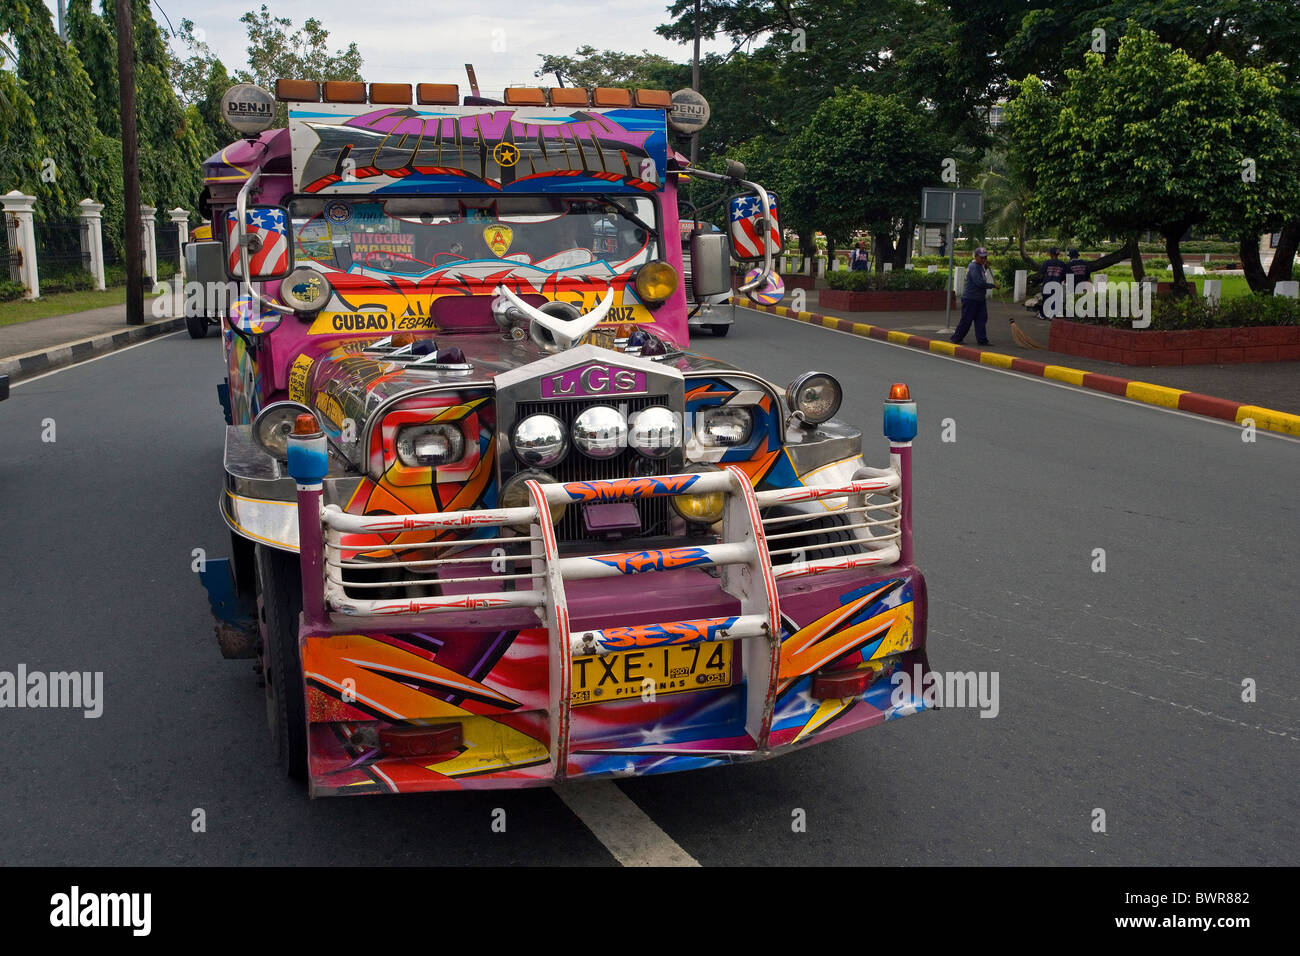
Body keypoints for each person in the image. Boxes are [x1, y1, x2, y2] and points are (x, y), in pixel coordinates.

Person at [950, 246, 997, 346]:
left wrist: (985, 266)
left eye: (985, 257)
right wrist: (992, 286)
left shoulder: (979, 265)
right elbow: (979, 283)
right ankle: (956, 338)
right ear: (976, 256)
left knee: (981, 320)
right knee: (966, 320)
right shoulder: (973, 266)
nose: (984, 259)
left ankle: (982, 340)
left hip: (979, 299)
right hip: (970, 299)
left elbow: (982, 276)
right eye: (981, 257)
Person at [1037, 246, 1068, 319]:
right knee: (1055, 300)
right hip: (1057, 284)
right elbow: (1064, 276)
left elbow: (1041, 273)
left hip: (1047, 284)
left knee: (1045, 300)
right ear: (1058, 254)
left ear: (1051, 254)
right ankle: (1052, 314)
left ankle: (1044, 315)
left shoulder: (1046, 263)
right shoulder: (1062, 264)